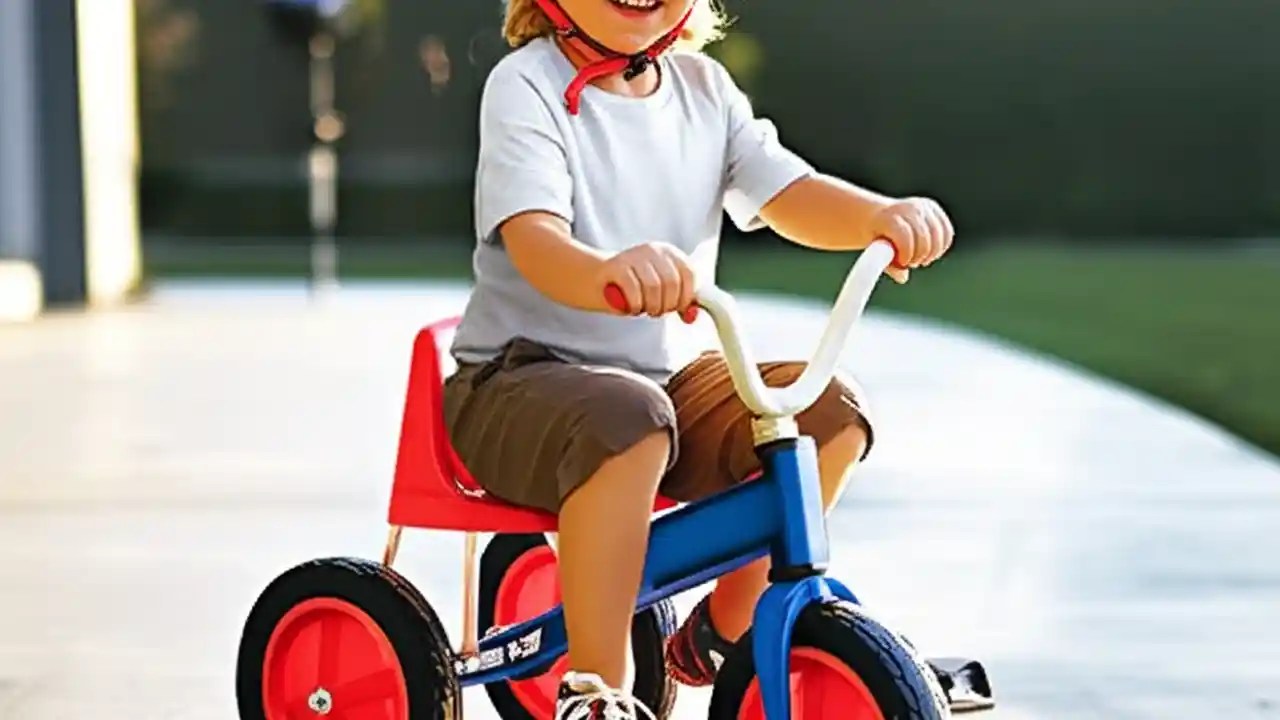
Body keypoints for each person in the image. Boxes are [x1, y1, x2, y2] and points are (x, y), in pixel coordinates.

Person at [444, 0, 955, 716]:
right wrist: (608, 273)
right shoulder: (524, 84)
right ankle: (595, 688)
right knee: (631, 419)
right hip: (518, 381)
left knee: (829, 413)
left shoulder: (704, 89)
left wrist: (877, 216)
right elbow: (534, 239)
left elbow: (789, 191)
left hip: (664, 383)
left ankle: (722, 633)